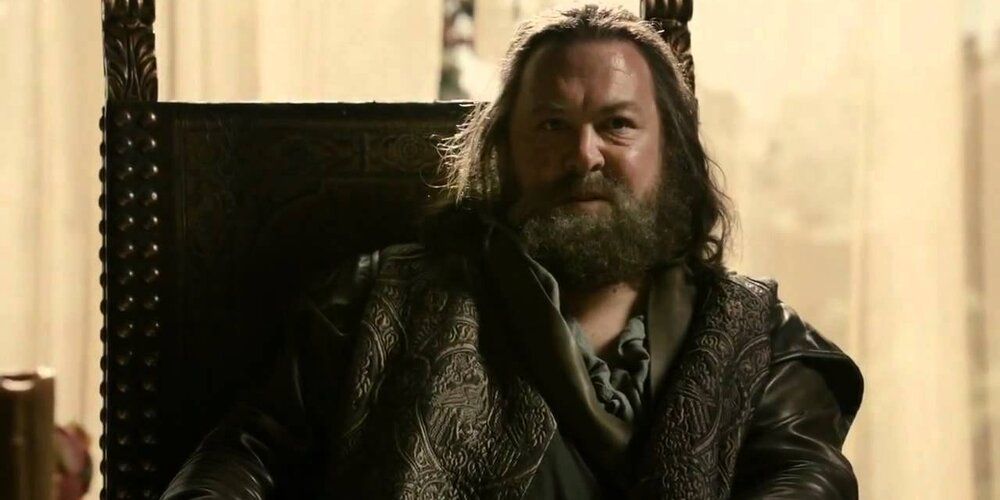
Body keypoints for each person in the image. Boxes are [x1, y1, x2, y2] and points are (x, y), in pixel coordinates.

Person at [162, 5, 863, 499]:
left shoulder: (758, 339)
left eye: (617, 125)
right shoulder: (373, 304)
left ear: (671, 153)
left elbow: (806, 475)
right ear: (504, 153)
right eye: (552, 125)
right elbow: (246, 453)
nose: (583, 155)